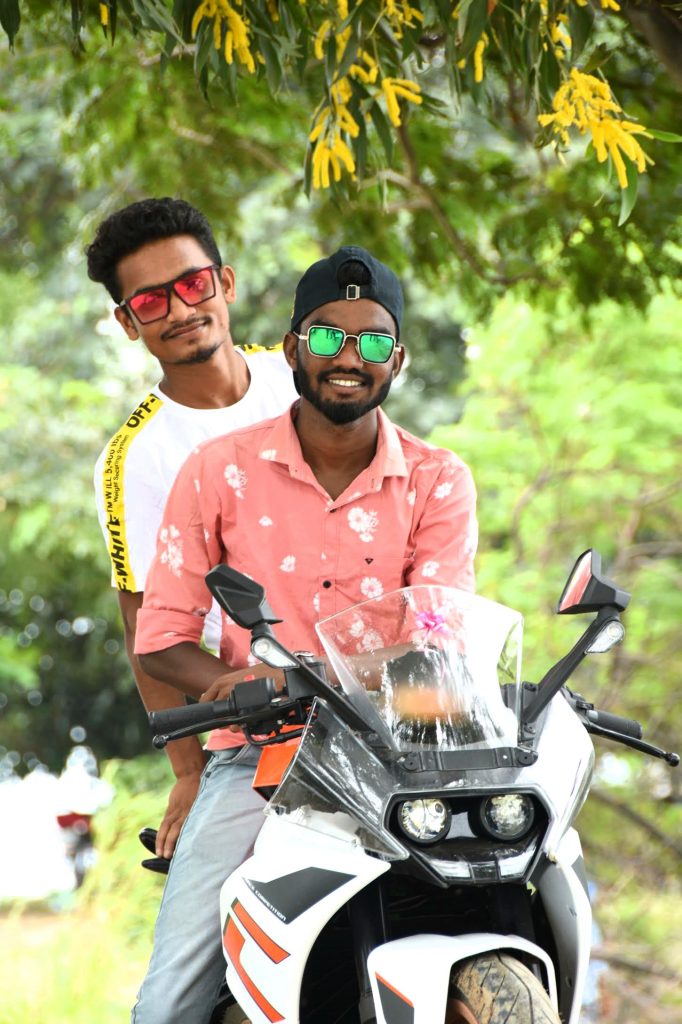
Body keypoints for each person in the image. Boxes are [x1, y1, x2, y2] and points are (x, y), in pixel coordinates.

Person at [132, 245, 479, 1023]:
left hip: (406, 756)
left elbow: (441, 627)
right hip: (263, 758)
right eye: (326, 338)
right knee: (166, 1005)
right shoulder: (215, 470)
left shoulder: (438, 479)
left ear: (399, 358)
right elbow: (160, 634)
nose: (348, 357)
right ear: (292, 347)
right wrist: (227, 686)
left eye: (371, 340)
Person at [87, 198, 298, 862]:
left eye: (191, 285)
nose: (179, 310)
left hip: (369, 696)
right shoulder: (137, 458)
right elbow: (144, 624)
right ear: (127, 323)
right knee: (182, 960)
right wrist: (188, 769)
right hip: (254, 724)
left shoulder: (303, 375)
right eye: (150, 302)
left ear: (224, 282)